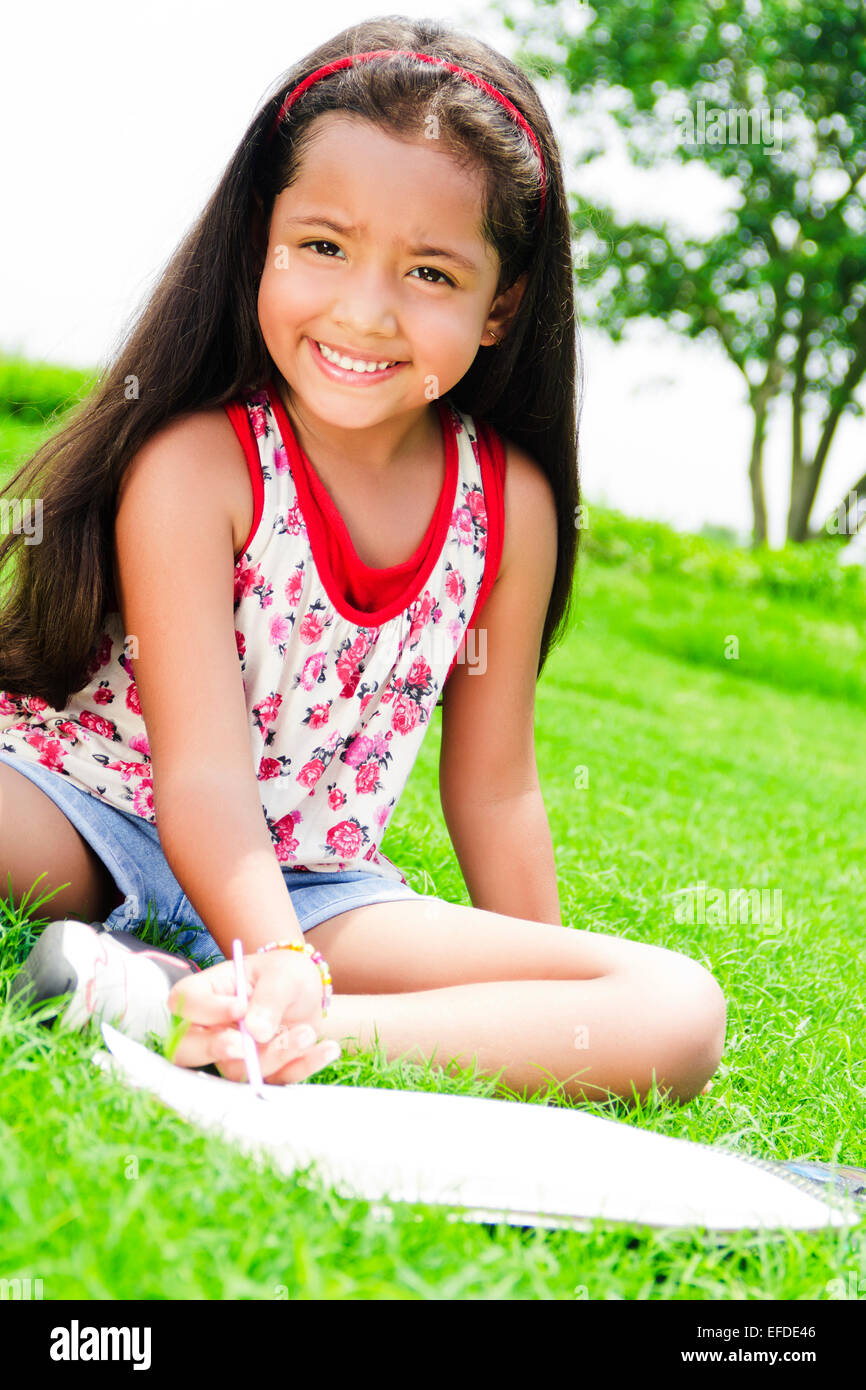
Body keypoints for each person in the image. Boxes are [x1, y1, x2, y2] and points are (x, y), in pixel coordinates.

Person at [0, 17, 725, 1105]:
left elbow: (493, 788)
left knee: (675, 1010)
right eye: (324, 246)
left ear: (502, 305)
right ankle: (255, 996)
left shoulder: (506, 505)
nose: (363, 309)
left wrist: (531, 977)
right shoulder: (200, 463)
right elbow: (199, 776)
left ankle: (210, 1013)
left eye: (430, 271)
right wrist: (275, 956)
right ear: (262, 241)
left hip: (323, 887)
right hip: (87, 817)